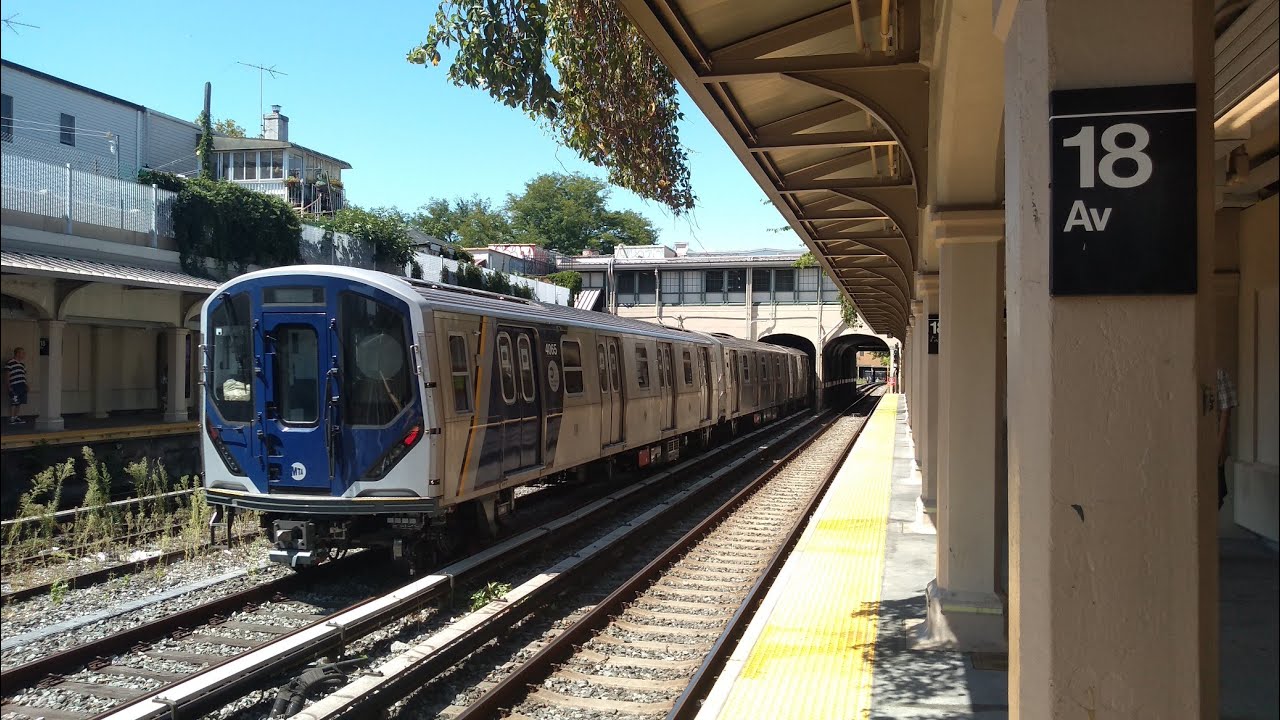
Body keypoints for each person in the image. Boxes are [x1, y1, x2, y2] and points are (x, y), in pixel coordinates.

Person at [1216, 367, 1238, 510]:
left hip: (1214, 442)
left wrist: (1220, 445)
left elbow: (1226, 410)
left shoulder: (1218, 374)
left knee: (1215, 492)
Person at [6, 347, 28, 425]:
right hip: (14, 385)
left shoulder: (22, 364)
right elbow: (7, 375)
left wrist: (26, 385)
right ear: (17, 353)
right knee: (14, 402)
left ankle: (16, 417)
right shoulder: (10, 362)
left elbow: (23, 376)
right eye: (22, 353)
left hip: (22, 385)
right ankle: (12, 418)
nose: (24, 354)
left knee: (19, 402)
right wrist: (9, 386)